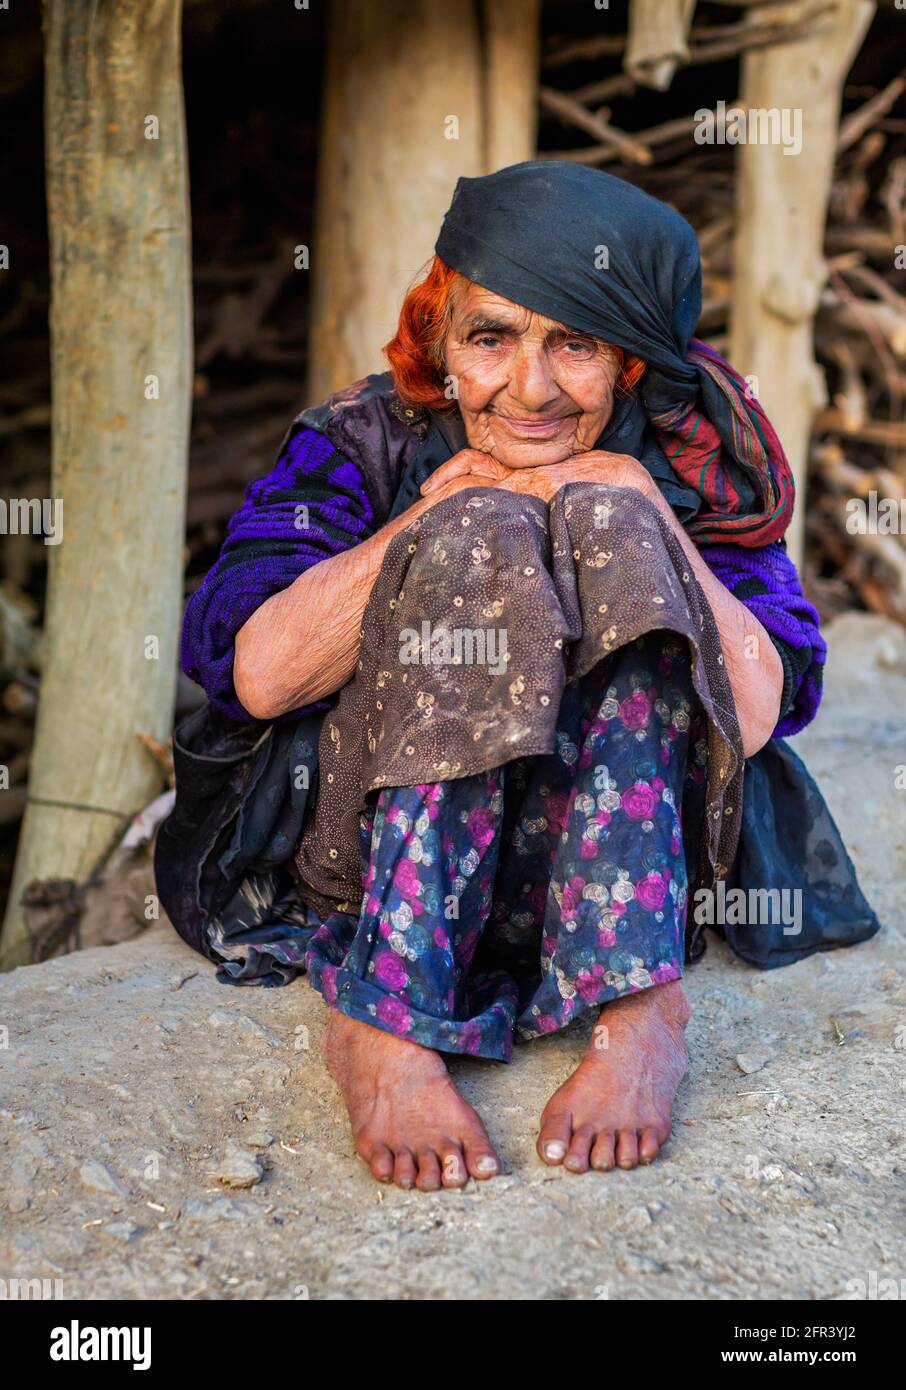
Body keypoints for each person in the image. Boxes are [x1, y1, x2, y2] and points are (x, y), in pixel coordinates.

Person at [167, 162, 873, 1193]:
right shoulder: (363, 439)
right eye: (491, 339)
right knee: (478, 526)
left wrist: (648, 513)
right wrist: (432, 518)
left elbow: (760, 712)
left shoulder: (682, 454)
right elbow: (262, 674)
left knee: (615, 517)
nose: (530, 389)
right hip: (373, 854)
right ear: (438, 338)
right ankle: (390, 1014)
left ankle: (637, 1004)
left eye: (574, 345)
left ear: (628, 363)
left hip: (613, 869)